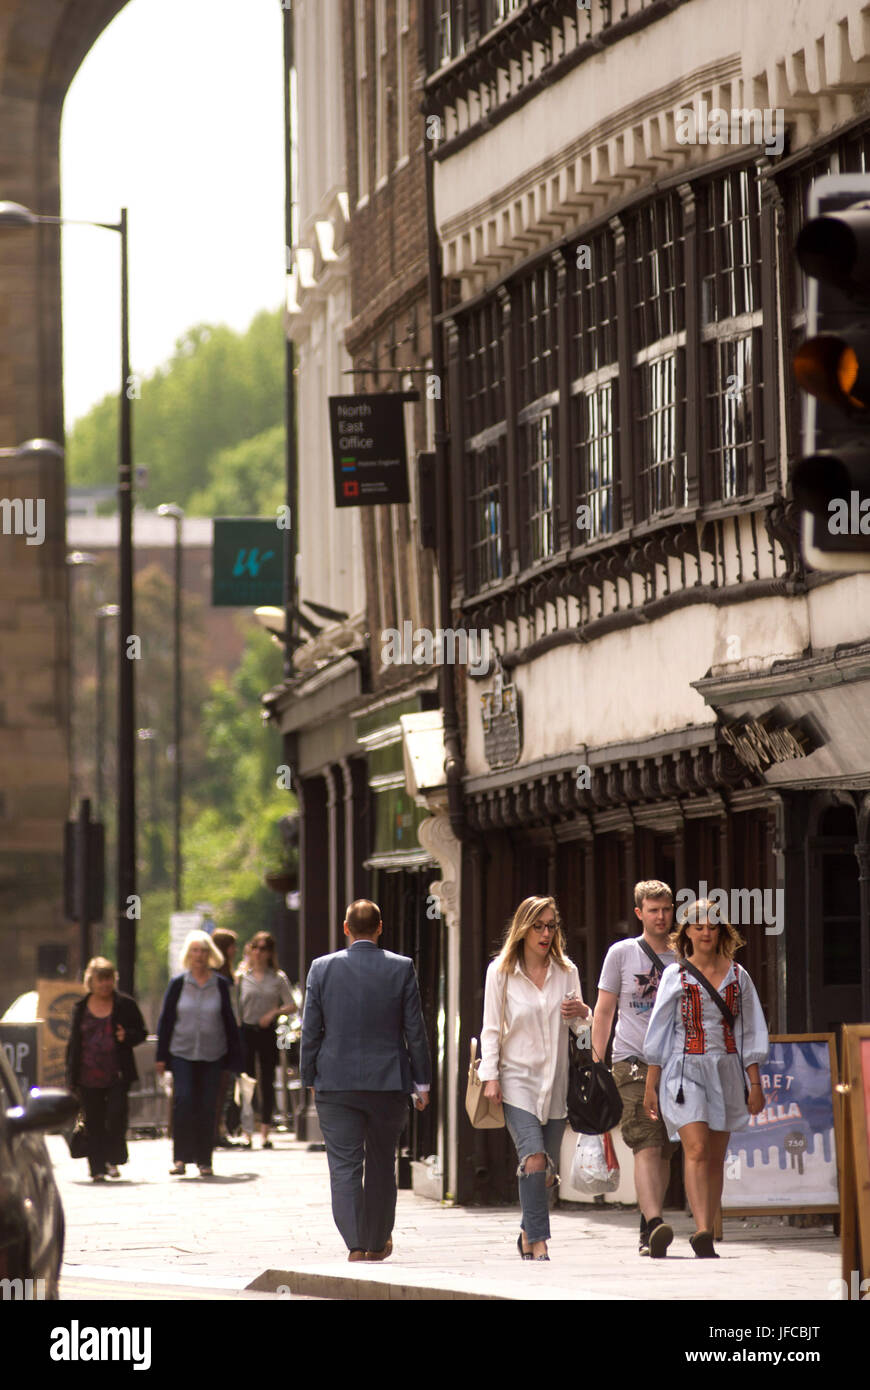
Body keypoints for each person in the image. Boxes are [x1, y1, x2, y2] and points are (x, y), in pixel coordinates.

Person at [300, 899, 430, 1263]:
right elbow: (415, 1030)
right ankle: (377, 1240)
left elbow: (311, 1030)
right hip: (388, 1083)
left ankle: (355, 1243)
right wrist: (422, 1083)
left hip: (335, 1083)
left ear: (346, 928)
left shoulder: (321, 969)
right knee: (381, 1162)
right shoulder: (401, 968)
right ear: (380, 927)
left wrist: (309, 1075)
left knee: (343, 1165)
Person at [642, 898, 769, 1258]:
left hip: (727, 1071)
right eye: (698, 925)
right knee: (696, 1148)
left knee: (715, 1155)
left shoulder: (738, 976)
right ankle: (701, 1231)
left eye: (712, 925)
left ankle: (707, 1228)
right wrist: (651, 1086)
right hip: (684, 1072)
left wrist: (754, 1083)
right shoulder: (676, 975)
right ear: (687, 933)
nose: (706, 931)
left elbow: (749, 1031)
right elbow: (659, 1033)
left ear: (721, 931)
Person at [478, 895, 592, 1262]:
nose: (545, 933)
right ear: (523, 929)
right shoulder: (501, 972)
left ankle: (527, 1231)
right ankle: (540, 1242)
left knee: (544, 1172)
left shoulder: (566, 971)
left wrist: (585, 1014)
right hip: (516, 1081)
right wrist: (490, 1076)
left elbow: (582, 1033)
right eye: (538, 926)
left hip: (556, 1084)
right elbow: (491, 1030)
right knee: (534, 1159)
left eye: (551, 926)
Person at [591, 879, 679, 1258]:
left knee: (665, 1150)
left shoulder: (683, 954)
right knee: (646, 1139)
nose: (661, 917)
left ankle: (648, 1224)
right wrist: (596, 1063)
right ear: (639, 913)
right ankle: (656, 1222)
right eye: (653, 910)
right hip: (631, 1061)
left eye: (666, 909)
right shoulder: (622, 954)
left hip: (676, 1063)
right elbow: (605, 1010)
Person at [155, 930, 242, 1177]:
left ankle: (205, 1160)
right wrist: (161, 1057)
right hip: (181, 1052)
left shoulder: (221, 985)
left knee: (207, 1105)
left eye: (204, 950)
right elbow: (166, 1020)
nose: (199, 955)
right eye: (194, 950)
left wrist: (236, 1058)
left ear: (211, 955)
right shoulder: (178, 984)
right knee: (183, 1101)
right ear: (188, 955)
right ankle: (180, 1158)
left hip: (213, 1054)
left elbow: (229, 1021)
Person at [66, 957, 147, 1183]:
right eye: (100, 980)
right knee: (93, 1121)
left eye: (109, 979)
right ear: (91, 981)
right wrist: (70, 1077)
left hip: (117, 1073)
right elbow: (74, 1044)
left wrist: (126, 1036)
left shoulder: (125, 1004)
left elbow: (141, 1032)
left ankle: (112, 1159)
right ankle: (97, 1167)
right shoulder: (80, 1008)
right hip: (87, 1074)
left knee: (115, 1116)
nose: (105, 984)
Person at [236, 931, 294, 1149]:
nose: (259, 953)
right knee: (246, 1081)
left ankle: (265, 1132)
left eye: (263, 949)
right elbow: (236, 1007)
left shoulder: (277, 978)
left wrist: (274, 1013)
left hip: (267, 1031)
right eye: (255, 948)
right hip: (246, 1031)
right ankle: (247, 1131)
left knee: (267, 1081)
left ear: (270, 953)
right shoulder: (242, 977)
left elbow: (292, 1004)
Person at [211, 927, 241, 1148]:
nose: (235, 950)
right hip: (220, 1035)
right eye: (232, 945)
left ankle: (218, 1128)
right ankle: (215, 1130)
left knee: (225, 1084)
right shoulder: (219, 976)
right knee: (219, 1086)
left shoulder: (227, 972)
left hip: (229, 1033)